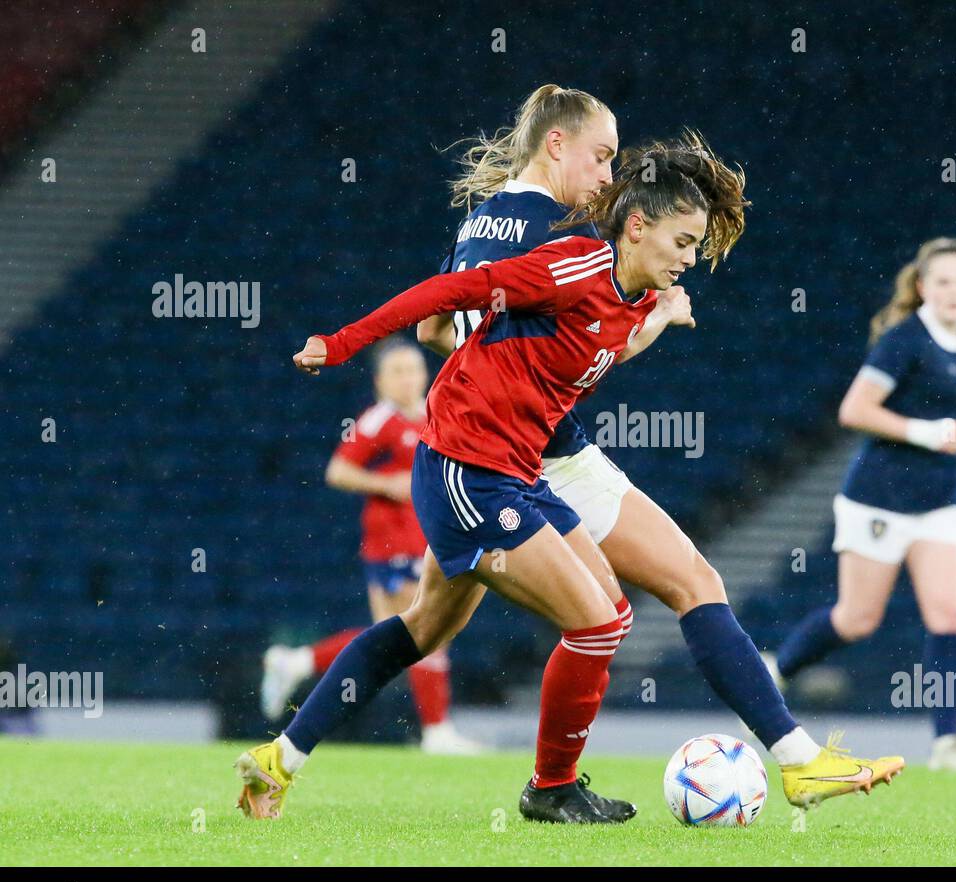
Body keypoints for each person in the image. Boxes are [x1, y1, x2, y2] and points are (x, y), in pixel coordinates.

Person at [235, 127, 902, 824]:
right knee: (593, 623)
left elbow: (602, 338)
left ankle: (281, 759)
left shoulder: (633, 293)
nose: (689, 261)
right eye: (681, 243)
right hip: (468, 467)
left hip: (518, 471)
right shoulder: (569, 259)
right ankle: (557, 788)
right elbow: (448, 293)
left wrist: (664, 317)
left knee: (431, 628)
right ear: (635, 224)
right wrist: (340, 344)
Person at [765, 238, 956, 772]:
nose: (954, 292)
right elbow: (855, 409)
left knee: (950, 616)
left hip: (941, 498)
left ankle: (947, 744)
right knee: (856, 620)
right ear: (922, 287)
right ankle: (776, 670)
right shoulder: (904, 341)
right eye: (943, 281)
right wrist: (923, 430)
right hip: (879, 497)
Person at [259, 340, 482, 754]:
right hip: (394, 539)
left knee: (394, 635)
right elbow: (338, 470)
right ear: (380, 381)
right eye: (396, 371)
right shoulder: (379, 420)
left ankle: (298, 662)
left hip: (421, 536)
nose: (407, 378)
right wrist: (387, 485)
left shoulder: (432, 416)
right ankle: (436, 730)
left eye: (413, 369)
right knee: (422, 629)